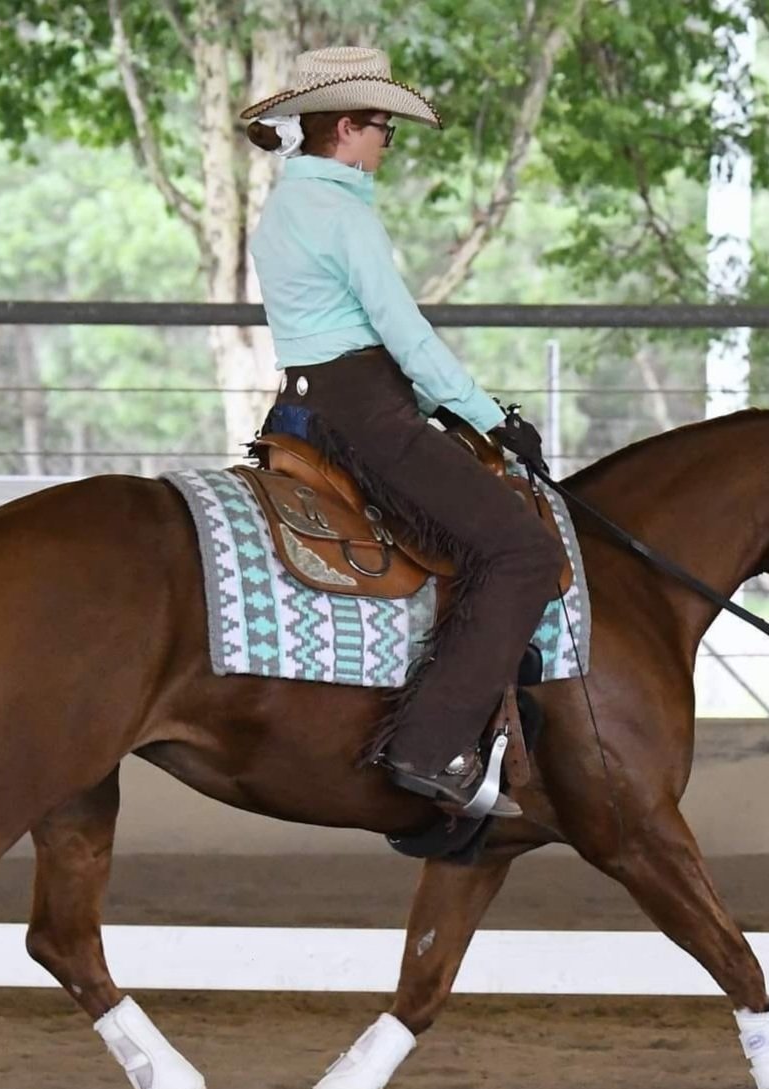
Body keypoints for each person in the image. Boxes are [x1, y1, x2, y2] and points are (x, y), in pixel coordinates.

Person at [241, 46, 565, 820]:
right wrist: (492, 416)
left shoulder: (288, 205)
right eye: (383, 126)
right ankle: (427, 744)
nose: (389, 140)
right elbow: (403, 333)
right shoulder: (341, 213)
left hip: (309, 402)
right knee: (523, 550)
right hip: (365, 411)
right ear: (346, 126)